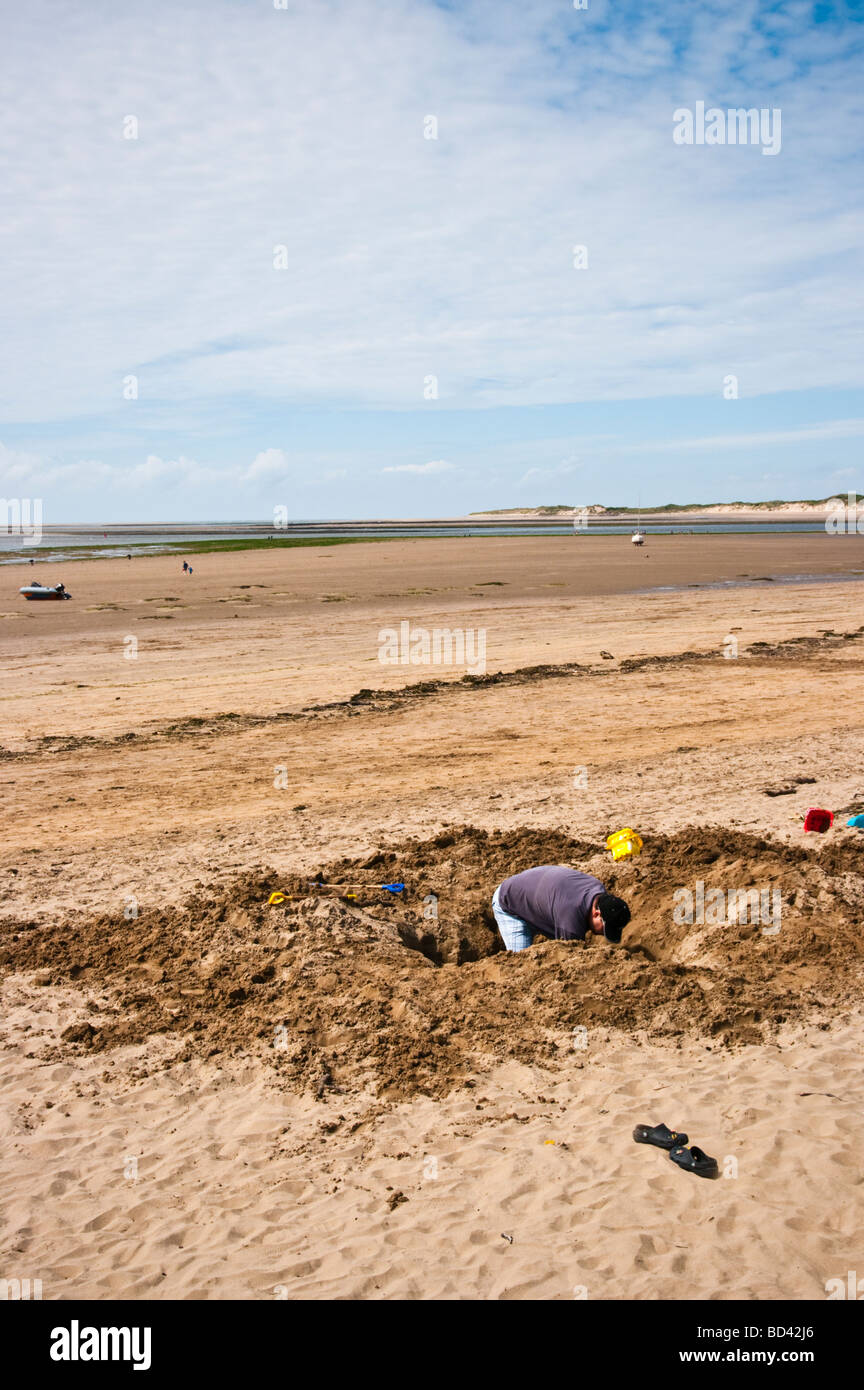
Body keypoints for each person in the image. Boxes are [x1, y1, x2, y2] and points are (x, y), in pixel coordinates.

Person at [491, 864, 630, 951]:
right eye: (605, 928)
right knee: (520, 966)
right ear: (596, 914)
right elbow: (568, 958)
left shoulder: (598, 890)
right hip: (510, 903)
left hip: (533, 892)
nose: (603, 934)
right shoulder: (570, 917)